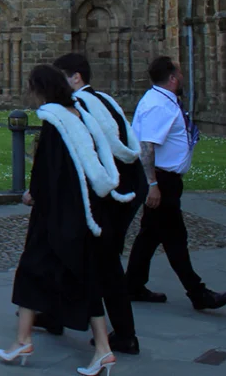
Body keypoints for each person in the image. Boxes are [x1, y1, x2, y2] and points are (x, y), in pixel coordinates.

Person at [0, 65, 122, 375]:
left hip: (57, 218)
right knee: (84, 279)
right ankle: (101, 349)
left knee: (30, 272)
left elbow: (48, 170)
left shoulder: (55, 122)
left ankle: (24, 341)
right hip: (83, 213)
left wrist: (32, 193)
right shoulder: (79, 114)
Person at [55, 52, 146, 354]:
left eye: (61, 78)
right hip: (130, 186)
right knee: (91, 257)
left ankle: (125, 334)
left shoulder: (80, 106)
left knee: (104, 263)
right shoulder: (105, 99)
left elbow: (88, 150)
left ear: (75, 77)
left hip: (112, 192)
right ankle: (51, 313)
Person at [126, 56, 226, 311]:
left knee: (149, 235)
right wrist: (153, 184)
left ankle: (132, 285)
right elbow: (146, 146)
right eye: (180, 73)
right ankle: (198, 293)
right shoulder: (159, 106)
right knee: (175, 238)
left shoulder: (162, 101)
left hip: (165, 179)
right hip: (161, 179)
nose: (183, 77)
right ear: (172, 78)